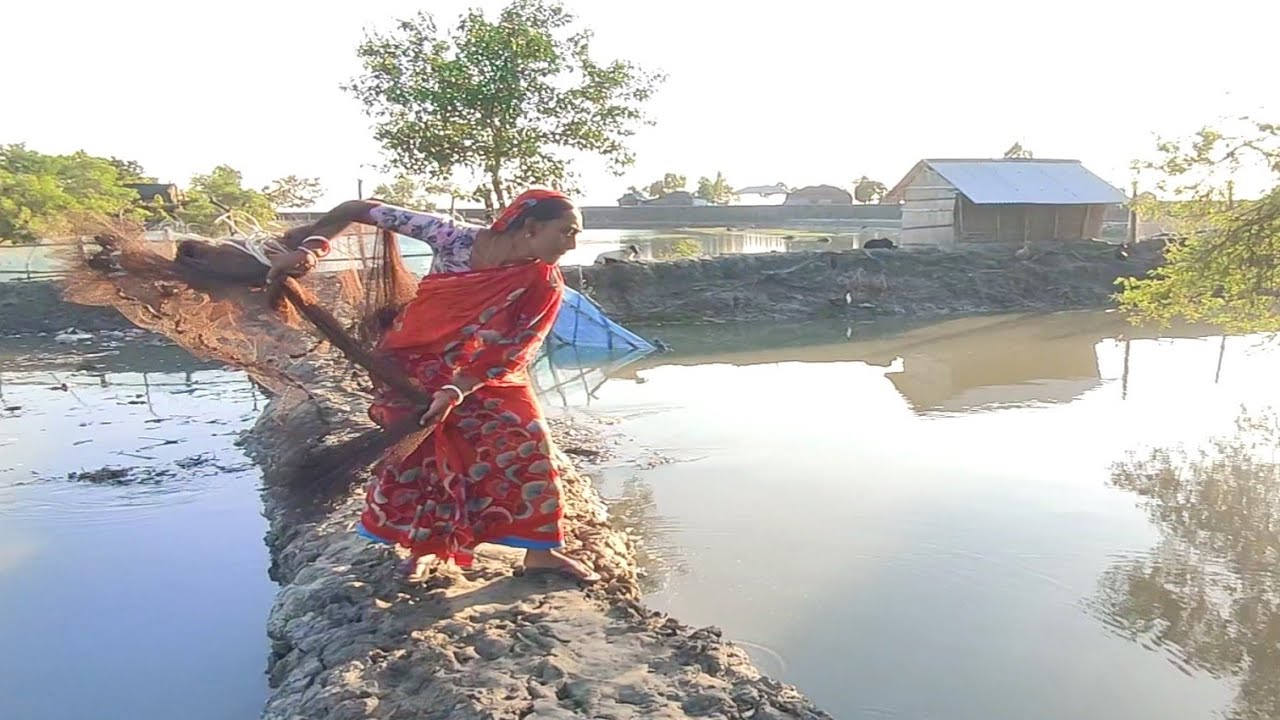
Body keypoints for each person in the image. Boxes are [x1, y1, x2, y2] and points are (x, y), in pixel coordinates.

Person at [272, 189, 600, 583]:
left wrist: (456, 390)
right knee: (424, 452)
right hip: (412, 364)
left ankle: (542, 554)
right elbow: (357, 210)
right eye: (567, 232)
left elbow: (517, 347)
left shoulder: (544, 282)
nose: (573, 244)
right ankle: (426, 548)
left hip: (483, 372)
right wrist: (312, 248)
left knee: (527, 438)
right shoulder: (452, 237)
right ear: (531, 227)